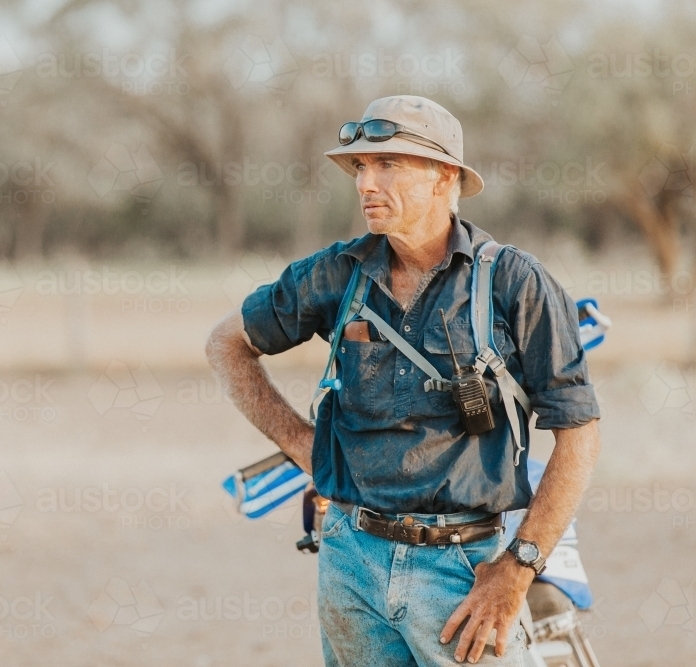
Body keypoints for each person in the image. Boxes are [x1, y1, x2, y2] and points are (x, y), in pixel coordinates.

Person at [206, 95, 602, 666]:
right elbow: (227, 344)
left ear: (446, 176)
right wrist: (303, 448)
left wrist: (518, 568)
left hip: (467, 570)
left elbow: (580, 432)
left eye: (388, 164)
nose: (367, 182)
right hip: (350, 562)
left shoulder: (516, 282)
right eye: (361, 167)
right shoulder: (335, 273)